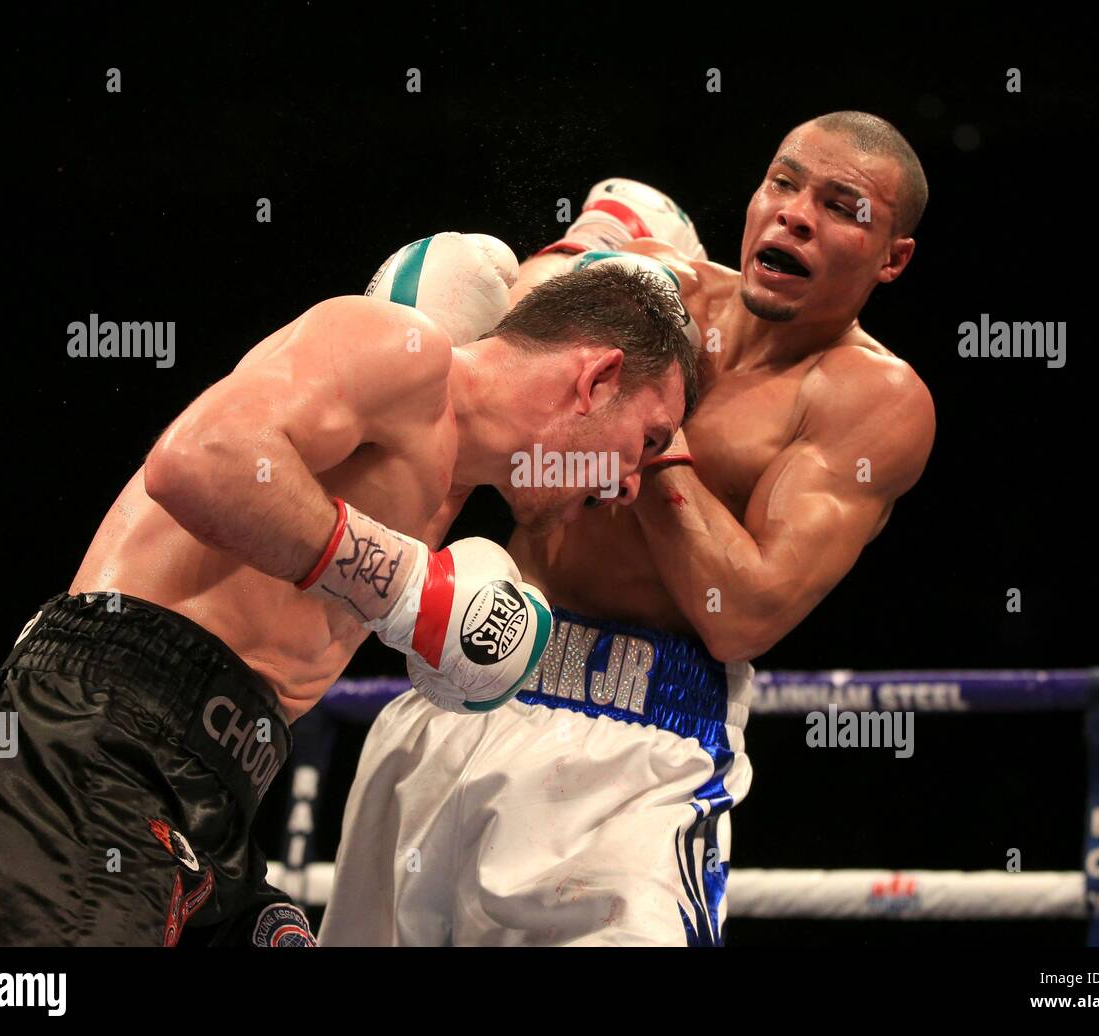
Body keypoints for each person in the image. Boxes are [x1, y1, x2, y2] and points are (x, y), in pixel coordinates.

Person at [0, 233, 695, 946]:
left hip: (219, 791)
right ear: (596, 379)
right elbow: (198, 462)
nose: (632, 485)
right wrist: (408, 593)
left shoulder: (449, 491)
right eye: (650, 441)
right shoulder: (399, 351)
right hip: (108, 730)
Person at [319, 111, 936, 946]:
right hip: (468, 683)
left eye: (839, 205)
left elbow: (742, 614)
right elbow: (516, 468)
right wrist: (558, 285)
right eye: (782, 182)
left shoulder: (873, 401)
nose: (795, 213)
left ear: (892, 256)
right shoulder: (654, 288)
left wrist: (651, 441)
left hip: (639, 755)